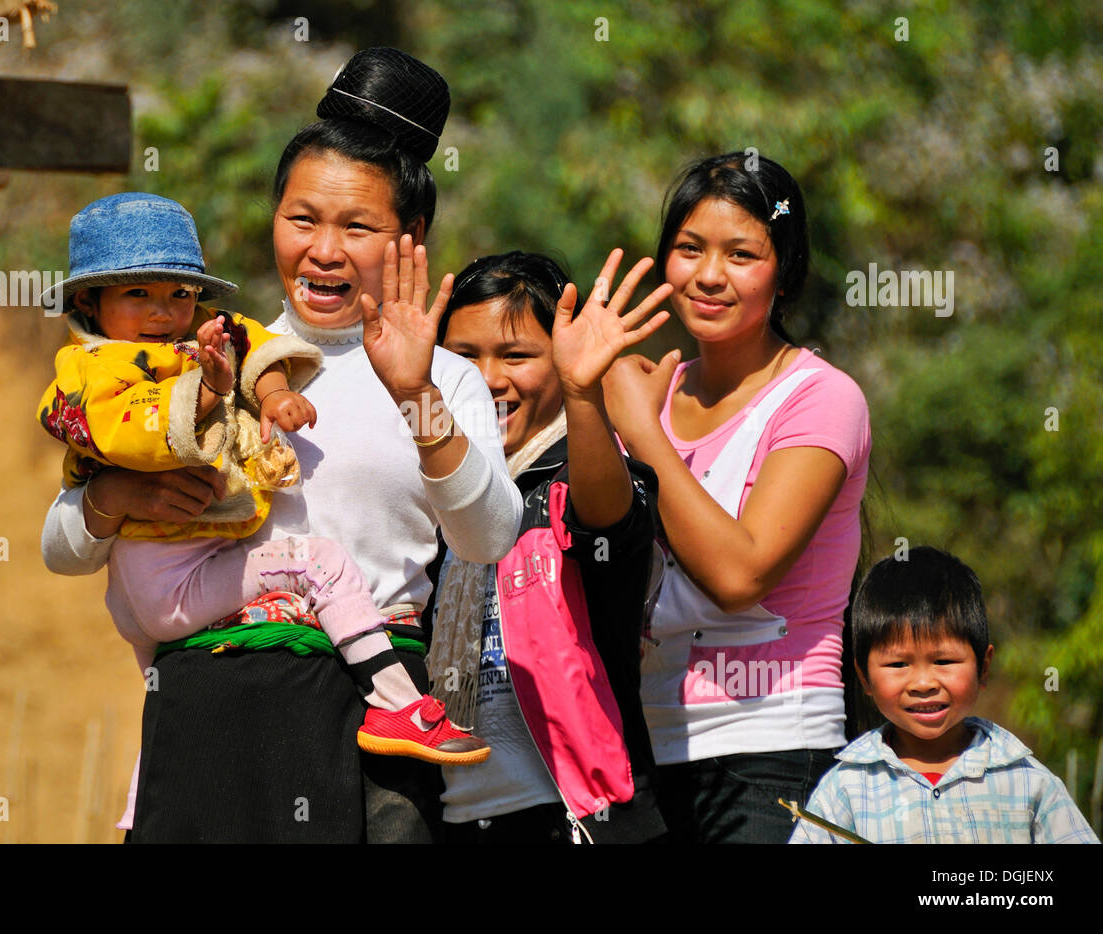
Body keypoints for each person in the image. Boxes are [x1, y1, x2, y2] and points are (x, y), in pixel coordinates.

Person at [40, 48, 521, 842]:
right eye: (303, 219)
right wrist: (114, 499)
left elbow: (488, 536)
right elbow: (62, 548)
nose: (322, 251)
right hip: (212, 704)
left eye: (357, 226)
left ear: (412, 235)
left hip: (375, 713)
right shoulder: (211, 358)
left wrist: (415, 398)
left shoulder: (445, 380)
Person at [36, 192, 489, 766]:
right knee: (316, 562)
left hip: (170, 605)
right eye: (137, 294)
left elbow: (257, 346)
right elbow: (122, 430)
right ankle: (397, 703)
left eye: (180, 293)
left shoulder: (203, 334)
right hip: (166, 578)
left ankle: (140, 803)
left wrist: (274, 392)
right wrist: (200, 398)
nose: (162, 311)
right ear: (88, 301)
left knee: (169, 722)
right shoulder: (89, 368)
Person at [603, 152, 872, 843]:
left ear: (785, 272)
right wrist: (583, 393)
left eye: (742, 253)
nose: (709, 275)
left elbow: (739, 574)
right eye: (689, 249)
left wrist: (640, 430)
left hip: (774, 756)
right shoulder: (648, 393)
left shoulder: (821, 398)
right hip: (647, 754)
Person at [430, 250, 671, 843]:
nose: (488, 379)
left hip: (582, 821)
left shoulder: (583, 475)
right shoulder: (428, 492)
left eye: (517, 355)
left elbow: (606, 520)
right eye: (463, 357)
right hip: (452, 817)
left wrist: (583, 391)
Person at [789, 547, 1099, 844]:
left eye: (944, 661)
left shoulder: (1025, 779)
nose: (923, 683)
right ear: (864, 678)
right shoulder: (846, 788)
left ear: (984, 667)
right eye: (898, 664)